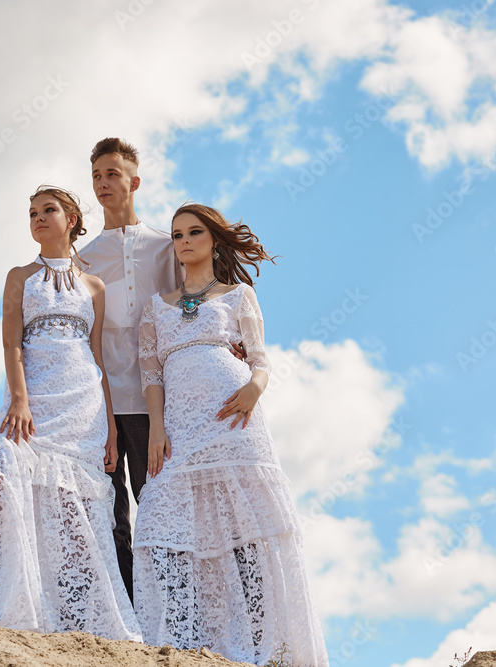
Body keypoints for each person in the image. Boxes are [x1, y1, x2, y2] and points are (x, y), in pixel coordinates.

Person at [133, 203, 328, 665]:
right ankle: (185, 643)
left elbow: (260, 361)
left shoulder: (239, 295)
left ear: (214, 240)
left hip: (234, 421)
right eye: (177, 234)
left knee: (247, 532)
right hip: (179, 427)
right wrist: (156, 429)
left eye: (194, 232)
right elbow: (151, 375)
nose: (184, 241)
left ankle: (265, 648)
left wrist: (253, 390)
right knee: (160, 524)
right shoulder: (155, 308)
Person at [0, 186, 141, 642]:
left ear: (72, 217)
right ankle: (3, 604)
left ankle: (74, 619)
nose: (38, 218)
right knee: (3, 473)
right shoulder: (19, 276)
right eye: (33, 213)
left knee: (74, 508)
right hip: (33, 399)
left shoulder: (94, 286)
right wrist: (19, 398)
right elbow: (11, 342)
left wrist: (113, 431)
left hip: (84, 405)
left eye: (49, 210)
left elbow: (97, 358)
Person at [78, 138, 245, 601]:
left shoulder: (165, 246)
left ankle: (174, 609)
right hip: (106, 405)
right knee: (110, 513)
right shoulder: (85, 257)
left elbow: (193, 299)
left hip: (165, 406)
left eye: (112, 174)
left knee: (163, 507)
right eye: (96, 176)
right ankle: (129, 619)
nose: (103, 183)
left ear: (134, 181)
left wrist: (224, 339)